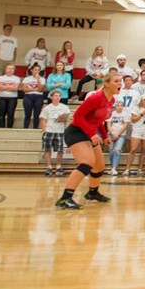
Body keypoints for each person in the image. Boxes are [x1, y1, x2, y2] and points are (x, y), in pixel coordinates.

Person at [54, 70, 118, 209]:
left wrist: (105, 136)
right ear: (106, 84)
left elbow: (99, 120)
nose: (120, 84)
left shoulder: (111, 100)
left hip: (89, 133)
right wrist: (91, 134)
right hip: (76, 132)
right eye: (116, 81)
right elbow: (77, 115)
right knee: (87, 163)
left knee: (99, 166)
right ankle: (64, 199)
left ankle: (92, 193)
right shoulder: (95, 98)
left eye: (120, 81)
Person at [39, 90, 70, 176]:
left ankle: (58, 166)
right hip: (49, 130)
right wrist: (44, 130)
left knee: (60, 150)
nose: (57, 98)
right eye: (55, 96)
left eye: (59, 96)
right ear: (51, 97)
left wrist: (62, 119)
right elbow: (43, 119)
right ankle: (49, 166)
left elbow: (67, 118)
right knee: (47, 149)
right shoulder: (47, 108)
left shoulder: (64, 107)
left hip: (59, 130)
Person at [124, 96, 145, 176]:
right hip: (137, 129)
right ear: (141, 100)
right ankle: (127, 169)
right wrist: (141, 114)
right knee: (133, 149)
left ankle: (140, 169)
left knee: (144, 150)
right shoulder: (136, 108)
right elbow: (133, 119)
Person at [21, 64, 46, 129]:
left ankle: (35, 128)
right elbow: (24, 89)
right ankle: (25, 128)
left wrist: (38, 80)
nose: (37, 71)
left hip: (38, 97)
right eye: (35, 70)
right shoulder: (27, 79)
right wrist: (34, 89)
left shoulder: (42, 79)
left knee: (37, 114)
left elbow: (40, 89)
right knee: (27, 114)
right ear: (31, 70)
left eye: (38, 70)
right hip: (28, 96)